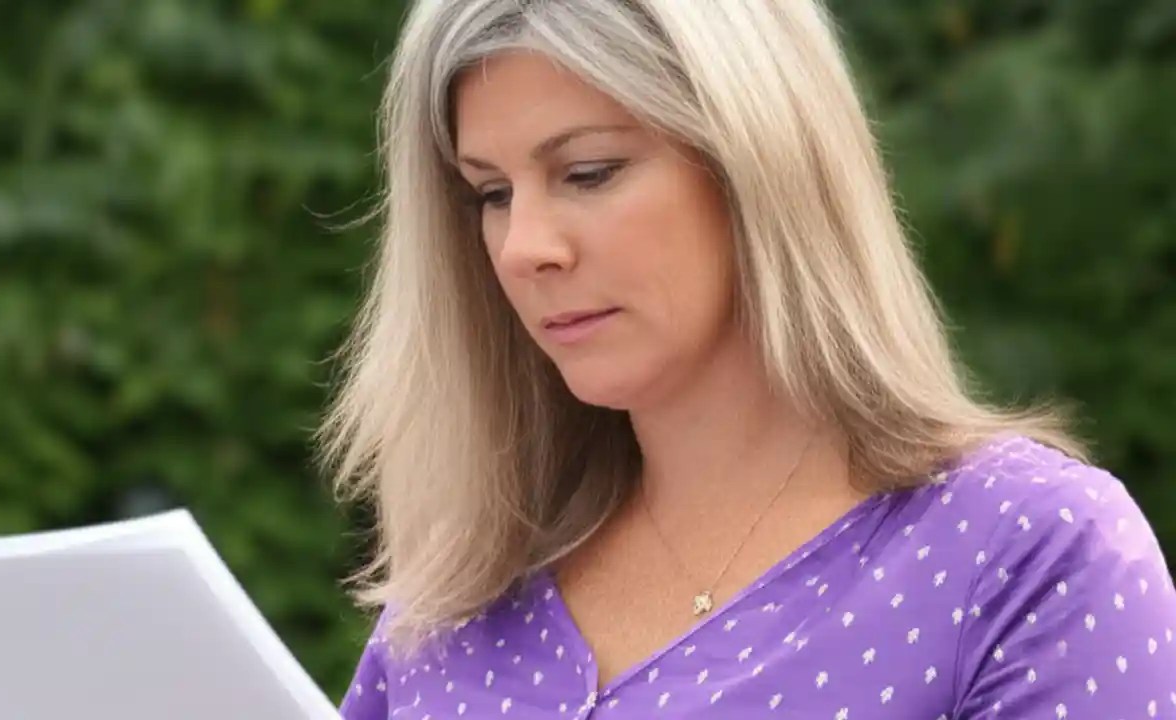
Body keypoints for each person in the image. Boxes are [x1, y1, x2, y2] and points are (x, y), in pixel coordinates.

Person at [317, 1, 1176, 717]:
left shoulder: (1026, 555)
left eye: (588, 172)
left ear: (759, 168)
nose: (523, 248)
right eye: (492, 194)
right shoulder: (449, 610)